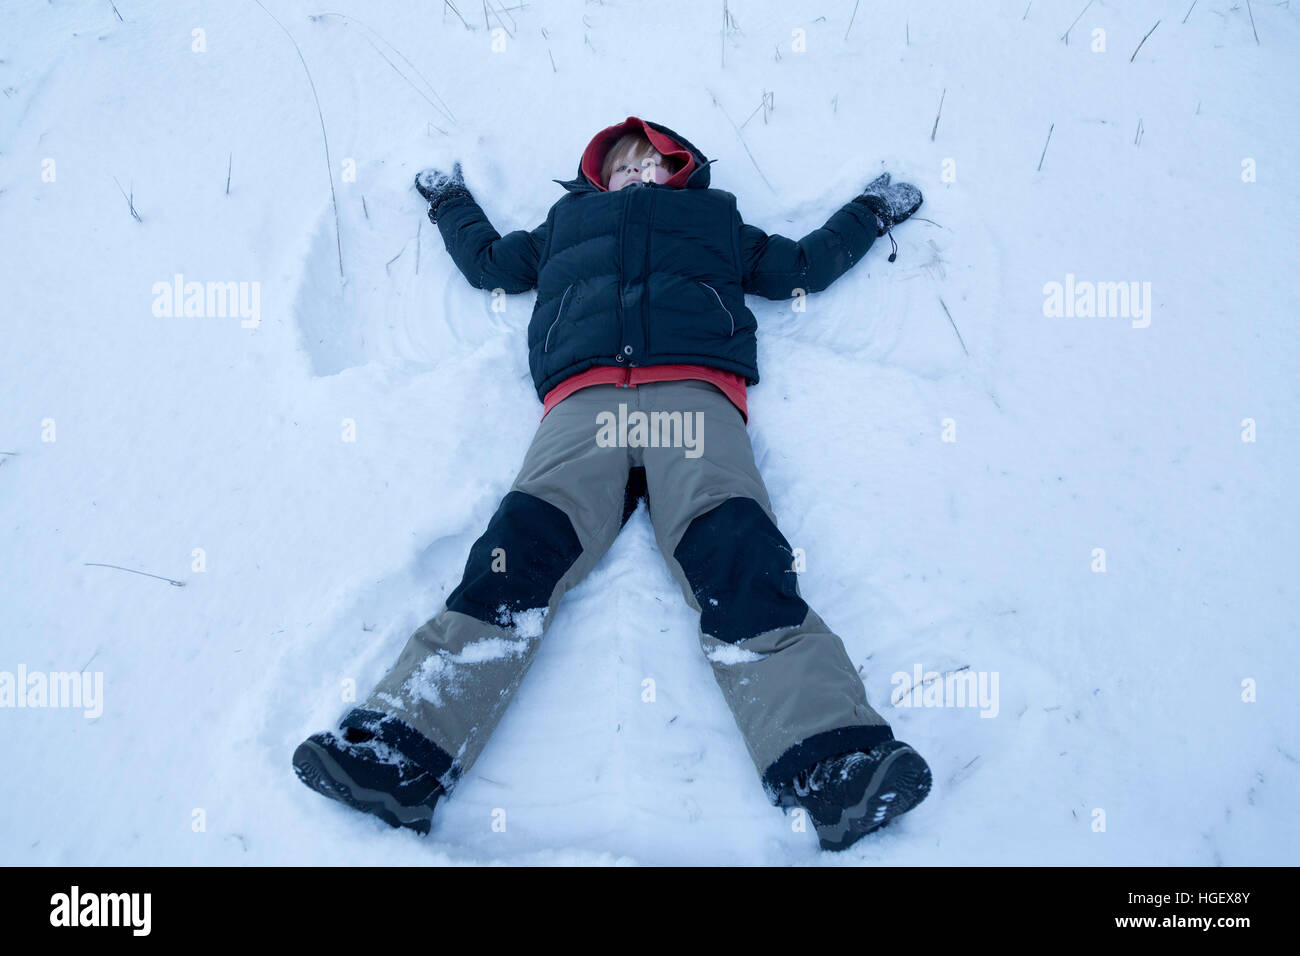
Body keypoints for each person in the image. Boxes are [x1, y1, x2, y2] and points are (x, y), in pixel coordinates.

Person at [293, 116, 931, 852]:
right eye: (624, 165)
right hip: (584, 404)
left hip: (692, 394)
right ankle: (399, 751)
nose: (637, 174)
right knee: (517, 552)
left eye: (653, 163)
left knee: (738, 554)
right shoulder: (567, 223)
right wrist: (449, 204)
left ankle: (834, 760)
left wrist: (870, 213)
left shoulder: (714, 220)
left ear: (679, 170)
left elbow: (796, 269)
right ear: (599, 175)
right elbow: (493, 265)